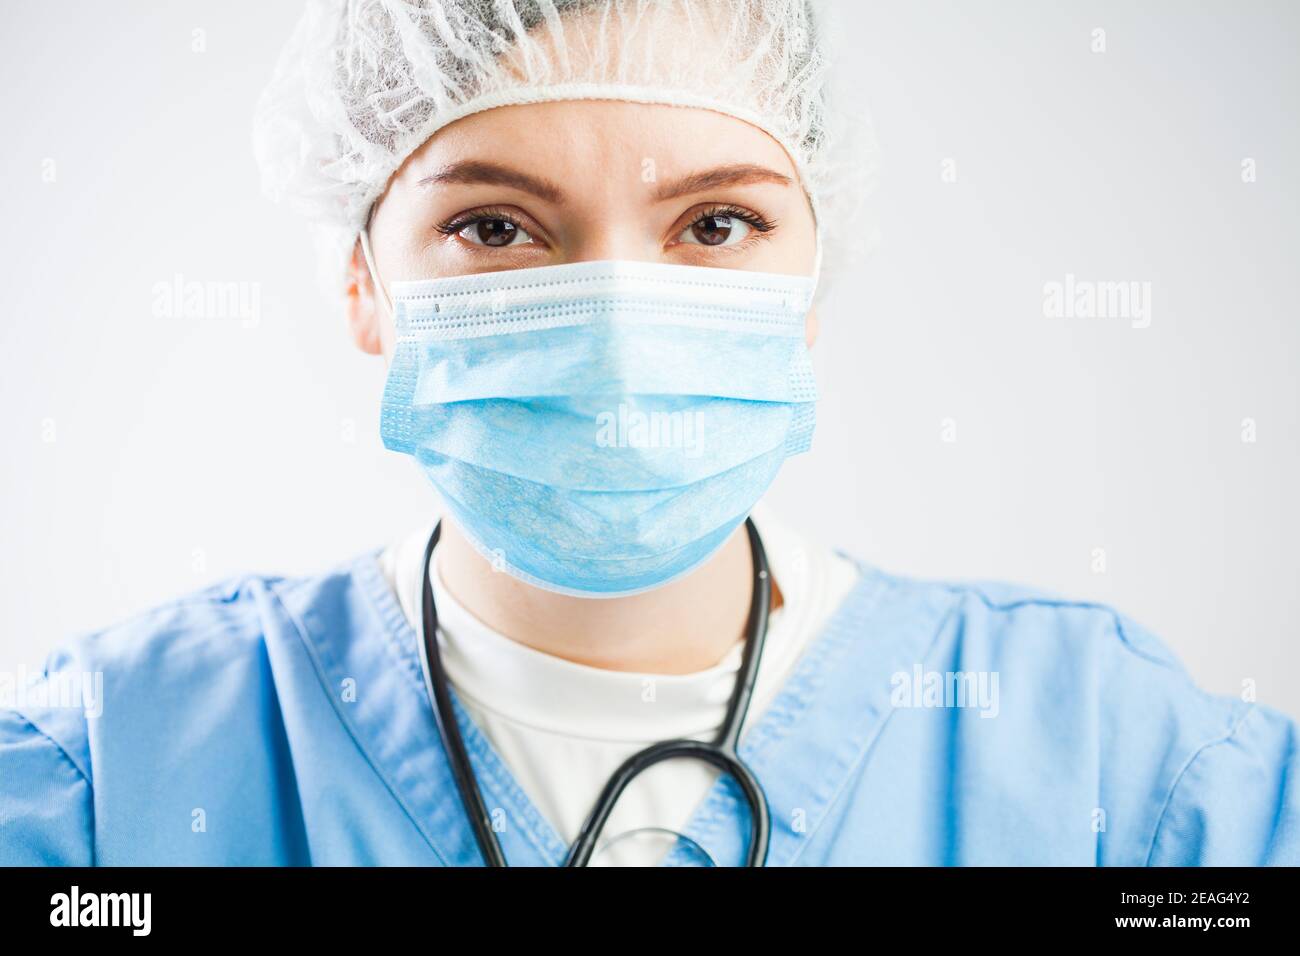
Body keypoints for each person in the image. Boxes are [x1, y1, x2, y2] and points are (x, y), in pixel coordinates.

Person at [1, 0, 1296, 867]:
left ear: (815, 281)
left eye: (717, 225)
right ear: (362, 289)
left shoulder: (1120, 771)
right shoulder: (120, 773)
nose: (621, 323)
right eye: (496, 227)